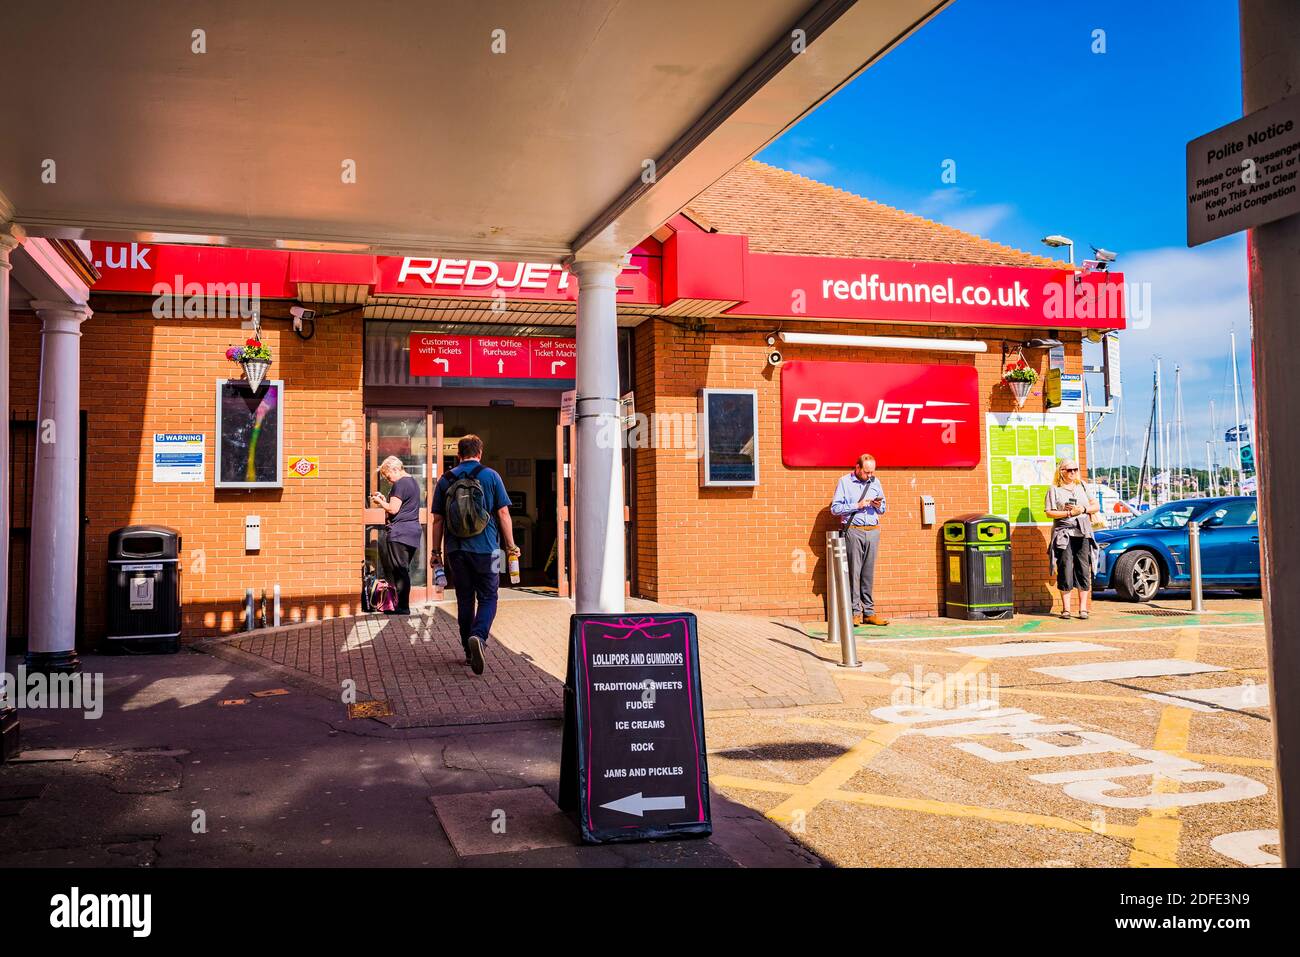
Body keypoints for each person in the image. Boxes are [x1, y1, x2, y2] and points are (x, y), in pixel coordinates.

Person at [431, 434, 517, 675]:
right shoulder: (491, 476)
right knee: (489, 597)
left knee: (465, 599)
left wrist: (435, 552)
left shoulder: (445, 480)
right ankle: (479, 637)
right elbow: (503, 514)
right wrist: (511, 547)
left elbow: (437, 519)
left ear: (459, 455)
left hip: (456, 551)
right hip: (489, 550)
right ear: (480, 453)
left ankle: (468, 652)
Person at [829, 453, 889, 627]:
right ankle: (854, 612)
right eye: (866, 472)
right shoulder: (844, 482)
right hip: (853, 531)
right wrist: (857, 505)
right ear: (857, 467)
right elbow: (835, 508)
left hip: (872, 531)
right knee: (854, 573)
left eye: (872, 472)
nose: (870, 476)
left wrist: (879, 506)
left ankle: (869, 612)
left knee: (868, 574)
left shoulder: (875, 482)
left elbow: (884, 508)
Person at [1044, 458, 1100, 620]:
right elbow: (1049, 512)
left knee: (1083, 568)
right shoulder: (1054, 489)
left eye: (1075, 469)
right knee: (1065, 568)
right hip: (1064, 533)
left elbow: (1095, 506)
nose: (1073, 472)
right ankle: (1066, 609)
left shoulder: (1082, 485)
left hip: (1083, 532)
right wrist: (1069, 513)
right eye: (1069, 470)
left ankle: (1083, 609)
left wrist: (1083, 509)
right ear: (1061, 472)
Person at [370, 455, 422, 615]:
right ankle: (402, 605)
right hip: (412, 532)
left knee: (399, 570)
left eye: (387, 475)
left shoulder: (400, 484)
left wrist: (379, 502)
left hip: (400, 532)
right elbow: (401, 505)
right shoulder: (413, 482)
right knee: (403, 569)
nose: (387, 480)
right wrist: (386, 500)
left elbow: (393, 509)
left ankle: (402, 607)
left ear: (395, 469)